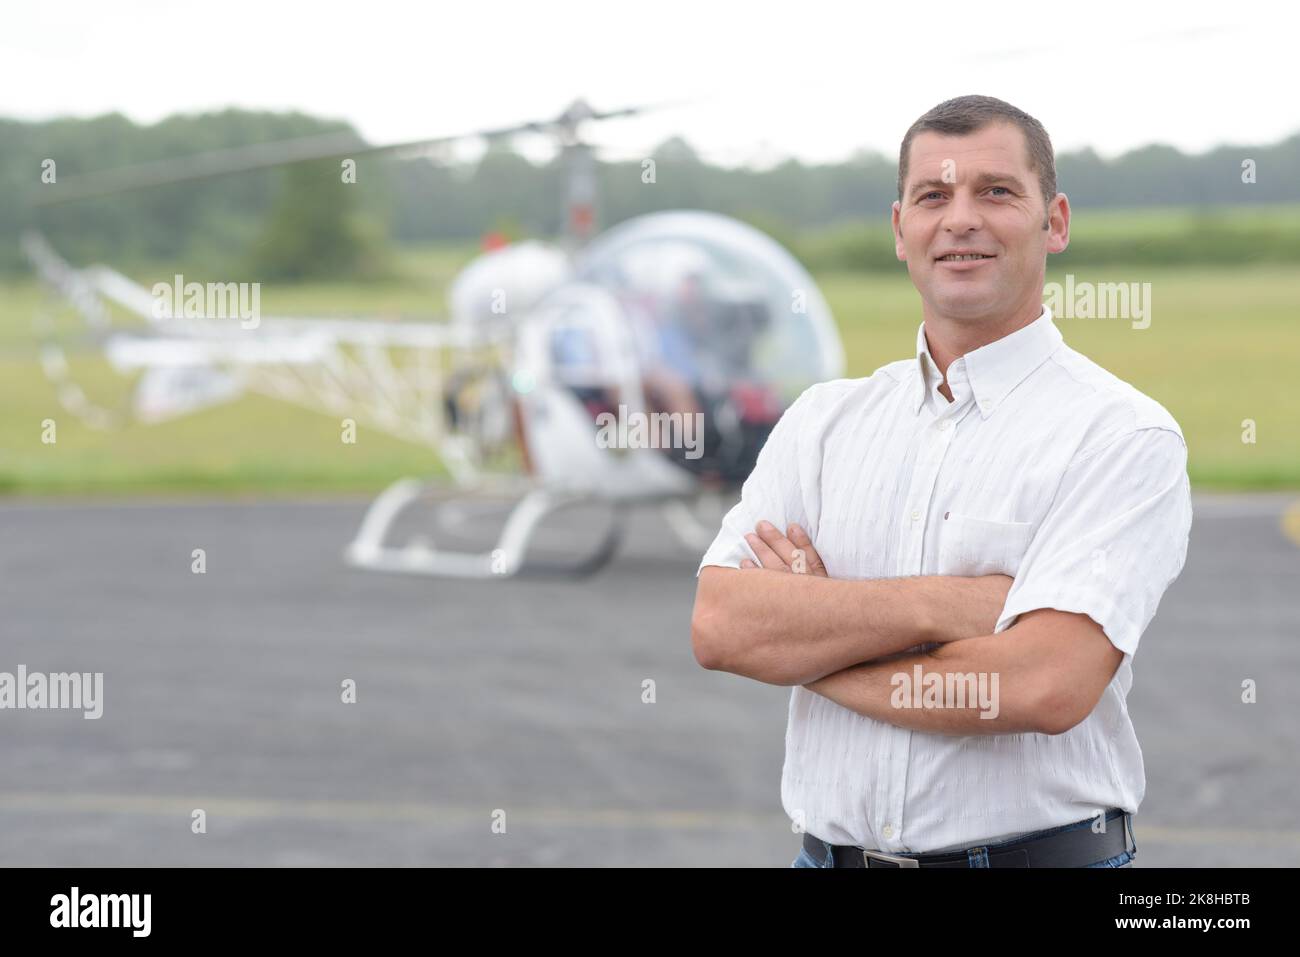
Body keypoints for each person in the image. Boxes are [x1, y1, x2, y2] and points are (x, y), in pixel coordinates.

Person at [690, 95, 1192, 868]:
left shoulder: (1121, 435)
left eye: (995, 191)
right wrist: (950, 604)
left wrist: (809, 644)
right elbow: (723, 625)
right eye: (934, 196)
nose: (960, 219)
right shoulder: (823, 421)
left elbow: (1042, 685)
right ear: (901, 230)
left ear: (1054, 220)